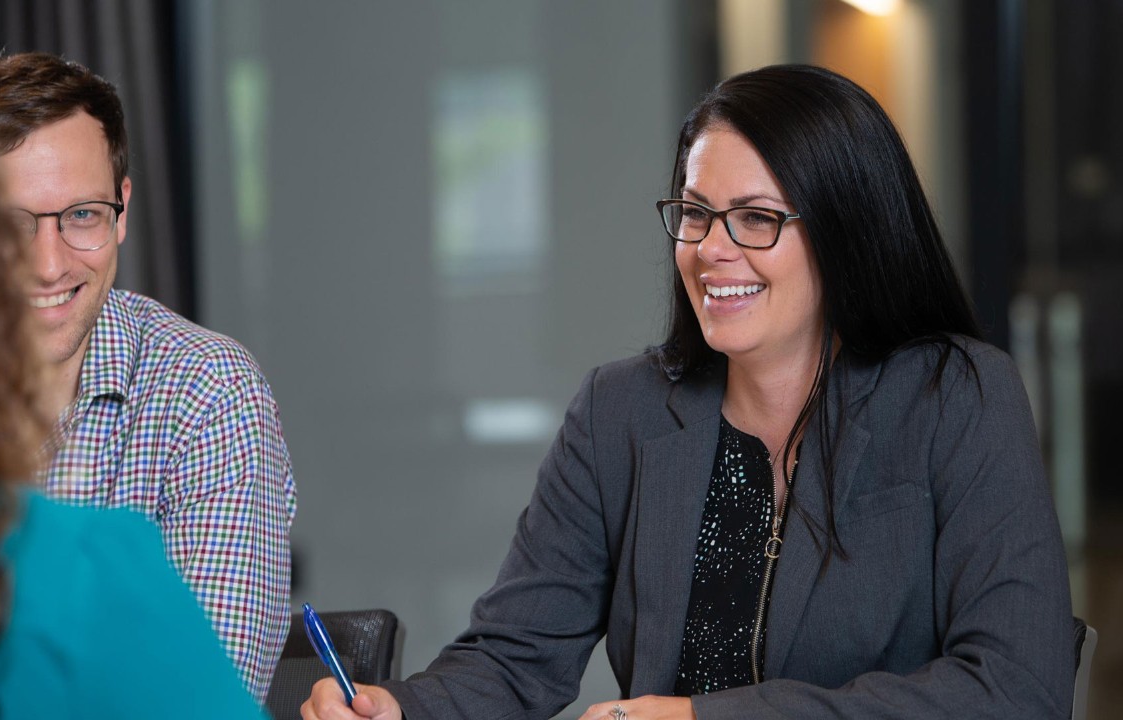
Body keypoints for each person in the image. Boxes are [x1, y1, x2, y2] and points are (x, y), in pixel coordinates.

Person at [304, 65, 1075, 720]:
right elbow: (513, 658)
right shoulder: (620, 412)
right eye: (697, 214)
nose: (711, 249)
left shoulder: (956, 397)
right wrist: (403, 707)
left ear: (847, 230)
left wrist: (704, 718)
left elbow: (1016, 689)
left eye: (756, 219)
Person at [0, 67, 265, 719]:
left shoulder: (207, 389)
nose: (48, 265)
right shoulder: (102, 563)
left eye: (82, 216)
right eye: (9, 224)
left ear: (122, 207)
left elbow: (196, 690)